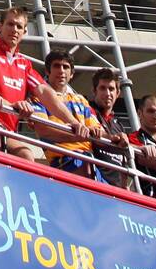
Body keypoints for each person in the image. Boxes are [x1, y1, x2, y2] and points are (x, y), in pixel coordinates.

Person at [0, 8, 81, 160]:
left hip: (8, 132)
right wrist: (13, 106)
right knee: (25, 155)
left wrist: (73, 122)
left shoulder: (24, 64)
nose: (14, 30)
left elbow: (45, 92)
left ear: (24, 32)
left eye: (19, 27)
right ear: (0, 27)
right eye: (10, 24)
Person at [31, 50, 109, 181]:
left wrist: (117, 137)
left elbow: (99, 131)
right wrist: (78, 136)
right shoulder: (38, 97)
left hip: (90, 161)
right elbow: (44, 131)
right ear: (47, 71)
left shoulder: (81, 100)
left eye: (66, 67)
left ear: (72, 74)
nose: (61, 71)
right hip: (63, 161)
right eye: (56, 66)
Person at [87, 69, 132, 188]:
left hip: (117, 190)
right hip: (94, 183)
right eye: (102, 88)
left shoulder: (119, 125)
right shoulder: (87, 111)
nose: (107, 93)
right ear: (94, 91)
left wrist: (124, 188)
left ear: (117, 93)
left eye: (111, 89)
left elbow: (123, 161)